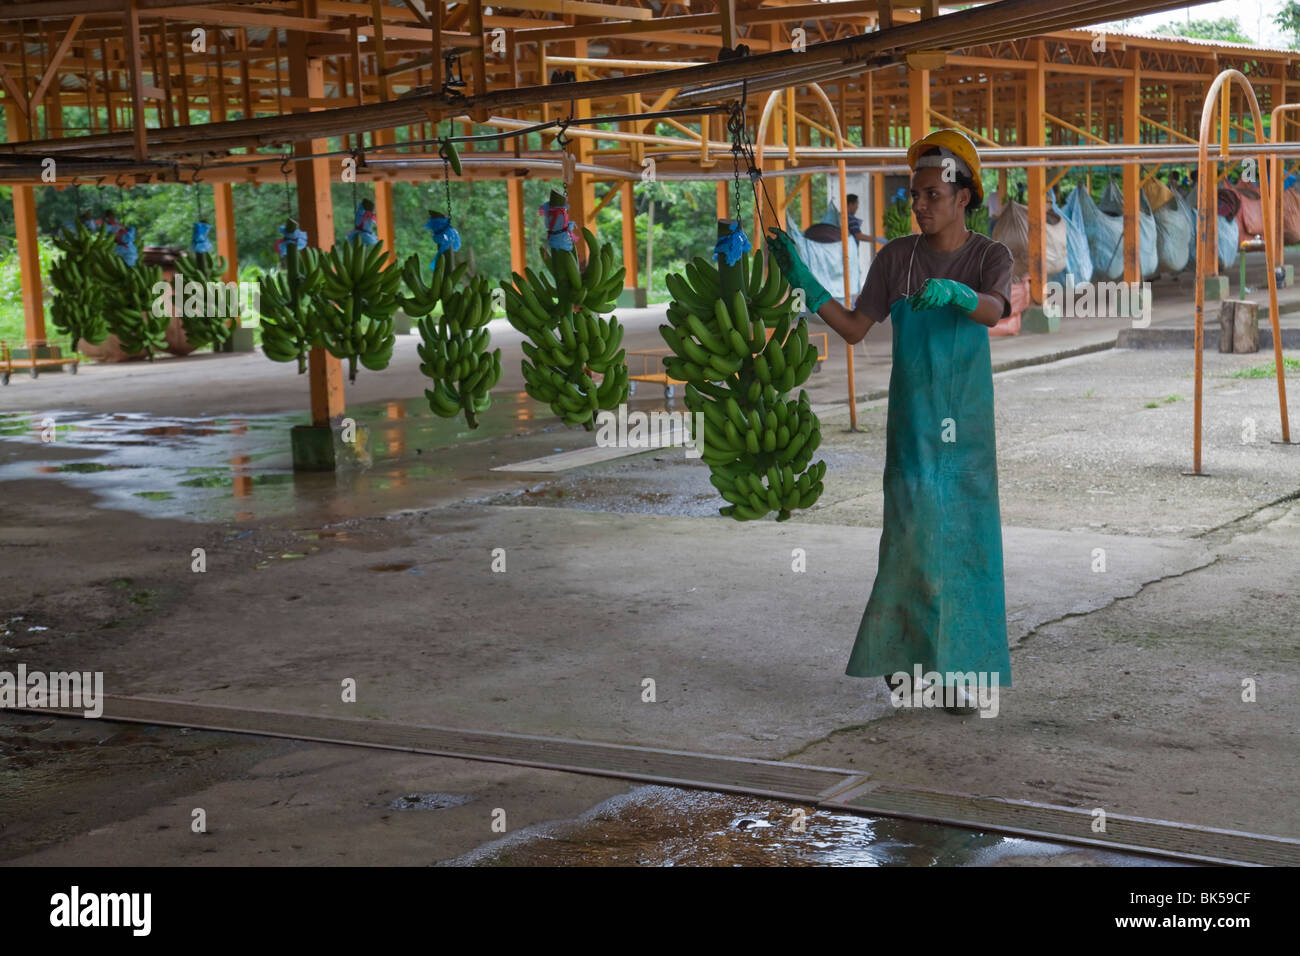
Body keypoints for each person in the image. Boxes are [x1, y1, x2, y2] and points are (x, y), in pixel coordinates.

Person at [767, 128, 1015, 714]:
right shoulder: (895, 259)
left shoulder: (989, 256)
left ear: (963, 197)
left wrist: (958, 294)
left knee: (967, 546)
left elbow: (995, 310)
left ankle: (966, 673)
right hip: (911, 425)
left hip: (967, 429)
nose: (920, 205)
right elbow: (855, 328)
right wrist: (807, 284)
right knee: (910, 543)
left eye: (932, 194)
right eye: (914, 195)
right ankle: (909, 666)